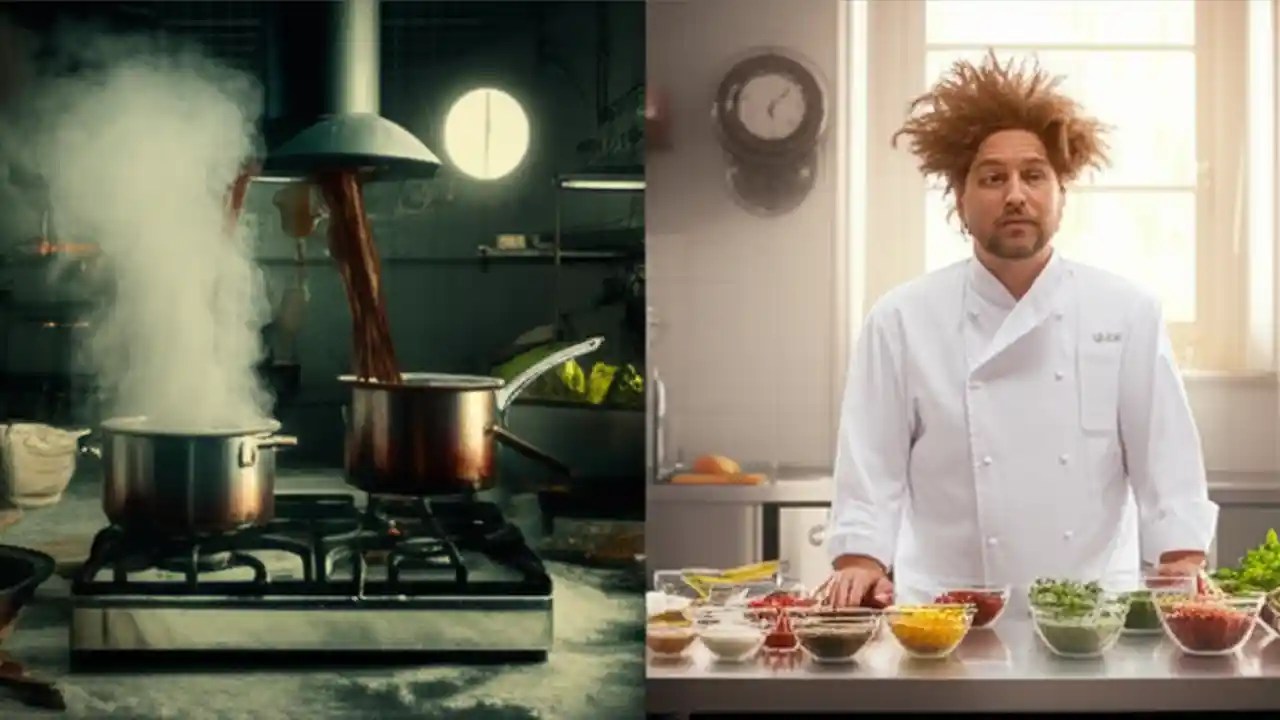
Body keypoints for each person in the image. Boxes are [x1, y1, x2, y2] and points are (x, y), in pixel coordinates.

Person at [822, 50, 1218, 609]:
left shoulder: (1127, 312)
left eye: (1034, 175)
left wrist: (1181, 559)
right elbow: (870, 465)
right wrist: (861, 560)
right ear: (959, 198)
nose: (1015, 194)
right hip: (944, 620)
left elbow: (1166, 459)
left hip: (1090, 619)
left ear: (1061, 194)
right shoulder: (902, 318)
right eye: (991, 177)